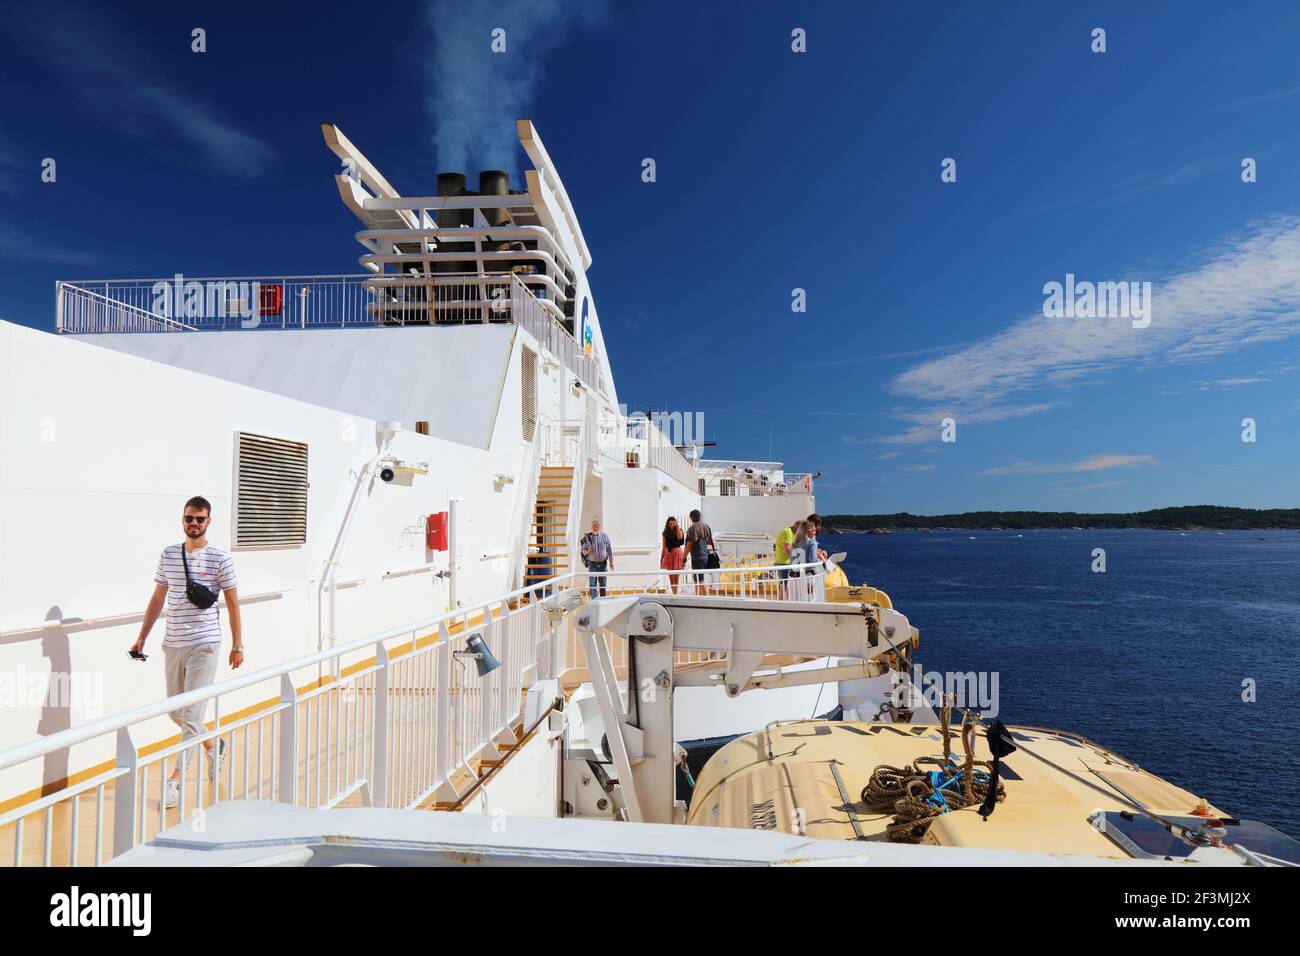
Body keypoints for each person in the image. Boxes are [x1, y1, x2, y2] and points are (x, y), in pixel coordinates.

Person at [132, 496, 242, 809]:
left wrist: (237, 645)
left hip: (205, 643)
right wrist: (141, 638)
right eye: (189, 518)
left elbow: (233, 603)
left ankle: (175, 781)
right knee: (176, 713)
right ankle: (213, 744)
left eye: (200, 519)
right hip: (173, 642)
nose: (194, 524)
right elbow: (157, 599)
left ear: (209, 522)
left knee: (191, 715)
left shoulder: (221, 558)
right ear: (183, 521)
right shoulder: (169, 555)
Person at [683, 509, 717, 595]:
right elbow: (710, 541)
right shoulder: (706, 526)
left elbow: (689, 545)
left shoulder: (692, 529)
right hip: (705, 556)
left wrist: (683, 557)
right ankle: (698, 597)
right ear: (700, 516)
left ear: (691, 518)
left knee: (700, 581)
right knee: (698, 580)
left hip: (697, 557)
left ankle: (707, 599)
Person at [581, 519, 614, 598]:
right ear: (591, 527)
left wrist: (611, 561)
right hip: (592, 564)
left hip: (603, 564)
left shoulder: (605, 536)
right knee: (592, 583)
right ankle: (594, 601)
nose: (595, 527)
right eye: (594, 525)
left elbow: (609, 549)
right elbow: (583, 549)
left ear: (599, 527)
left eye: (597, 525)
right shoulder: (587, 538)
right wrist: (587, 552)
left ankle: (602, 600)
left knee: (603, 583)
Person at [773, 518, 802, 598]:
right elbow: (787, 550)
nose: (801, 531)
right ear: (796, 525)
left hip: (784, 562)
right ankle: (781, 606)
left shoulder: (790, 533)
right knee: (783, 586)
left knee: (784, 586)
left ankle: (783, 602)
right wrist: (797, 559)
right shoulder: (788, 532)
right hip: (783, 563)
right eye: (801, 529)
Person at [660, 516, 685, 593]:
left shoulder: (679, 530)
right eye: (670, 524)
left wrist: (677, 527)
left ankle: (676, 593)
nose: (672, 525)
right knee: (671, 577)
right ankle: (674, 593)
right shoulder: (665, 533)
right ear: (668, 524)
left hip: (677, 553)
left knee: (676, 576)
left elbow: (680, 537)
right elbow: (664, 546)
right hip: (668, 554)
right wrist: (661, 558)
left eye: (674, 523)